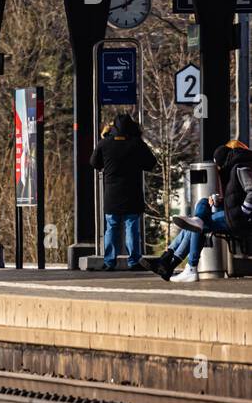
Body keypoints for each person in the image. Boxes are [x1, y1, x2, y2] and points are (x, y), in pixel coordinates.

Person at [147, 140, 252, 282]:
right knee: (202, 206)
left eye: (219, 164)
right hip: (234, 214)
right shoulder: (238, 166)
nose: (220, 168)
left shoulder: (241, 167)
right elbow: (238, 196)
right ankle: (168, 263)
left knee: (198, 226)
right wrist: (220, 200)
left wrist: (244, 212)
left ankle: (185, 266)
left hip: (239, 218)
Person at [89, 113, 156, 271]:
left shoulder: (104, 143)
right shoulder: (136, 143)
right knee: (132, 226)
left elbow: (93, 162)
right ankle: (134, 261)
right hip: (132, 192)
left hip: (112, 193)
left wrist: (105, 166)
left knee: (112, 227)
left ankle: (109, 262)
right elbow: (151, 163)